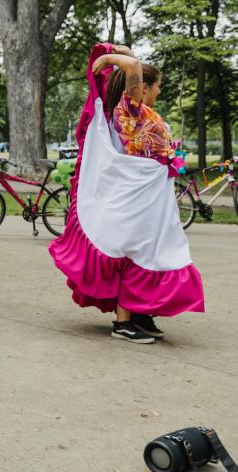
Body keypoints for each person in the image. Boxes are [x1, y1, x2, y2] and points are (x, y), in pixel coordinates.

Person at [48, 44, 203, 344]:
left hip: (151, 195)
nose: (159, 92)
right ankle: (123, 323)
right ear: (142, 88)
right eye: (157, 87)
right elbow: (132, 69)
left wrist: (122, 51)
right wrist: (108, 58)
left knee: (153, 251)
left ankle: (140, 312)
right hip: (139, 194)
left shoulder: (142, 111)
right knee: (137, 251)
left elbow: (133, 66)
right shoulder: (130, 108)